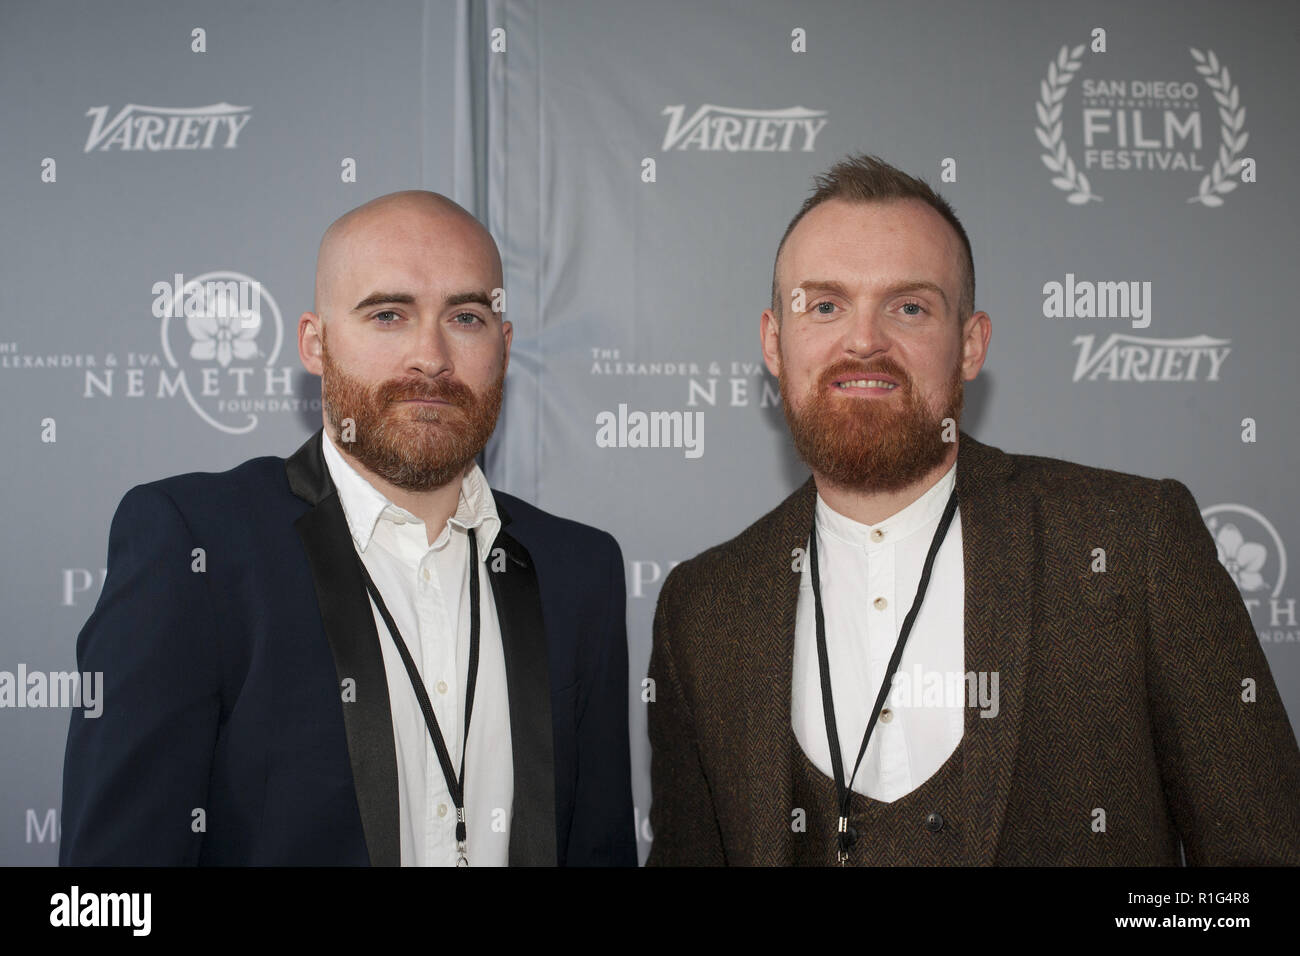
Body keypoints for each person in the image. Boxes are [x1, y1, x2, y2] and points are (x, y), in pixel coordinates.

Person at [645, 154, 1300, 866]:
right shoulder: (702, 609)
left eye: (910, 307)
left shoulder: (1132, 545)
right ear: (775, 342)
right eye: (825, 305)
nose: (863, 341)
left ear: (971, 344)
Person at [61, 190, 636, 866]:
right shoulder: (196, 546)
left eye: (467, 316)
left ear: (504, 346)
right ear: (315, 342)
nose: (431, 356)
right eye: (388, 315)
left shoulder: (579, 568)